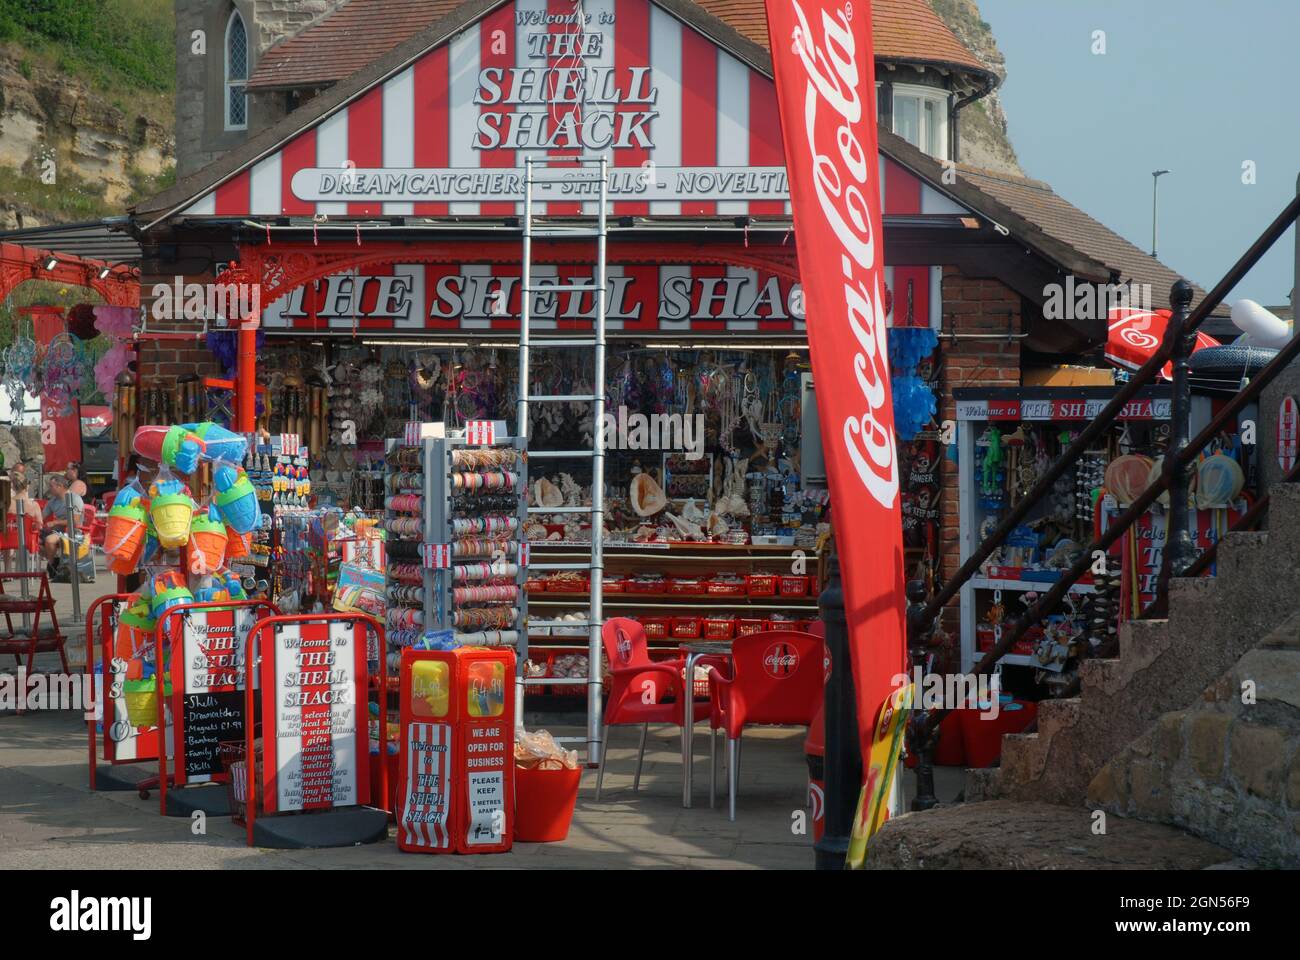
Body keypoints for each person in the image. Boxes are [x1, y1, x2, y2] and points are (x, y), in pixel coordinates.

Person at [41, 473, 85, 573]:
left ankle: (51, 567)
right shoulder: (53, 501)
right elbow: (42, 516)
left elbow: (75, 521)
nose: (49, 489)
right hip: (59, 531)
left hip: (74, 531)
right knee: (35, 541)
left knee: (49, 540)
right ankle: (56, 561)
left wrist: (56, 522)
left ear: (60, 486)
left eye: (51, 486)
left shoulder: (74, 498)